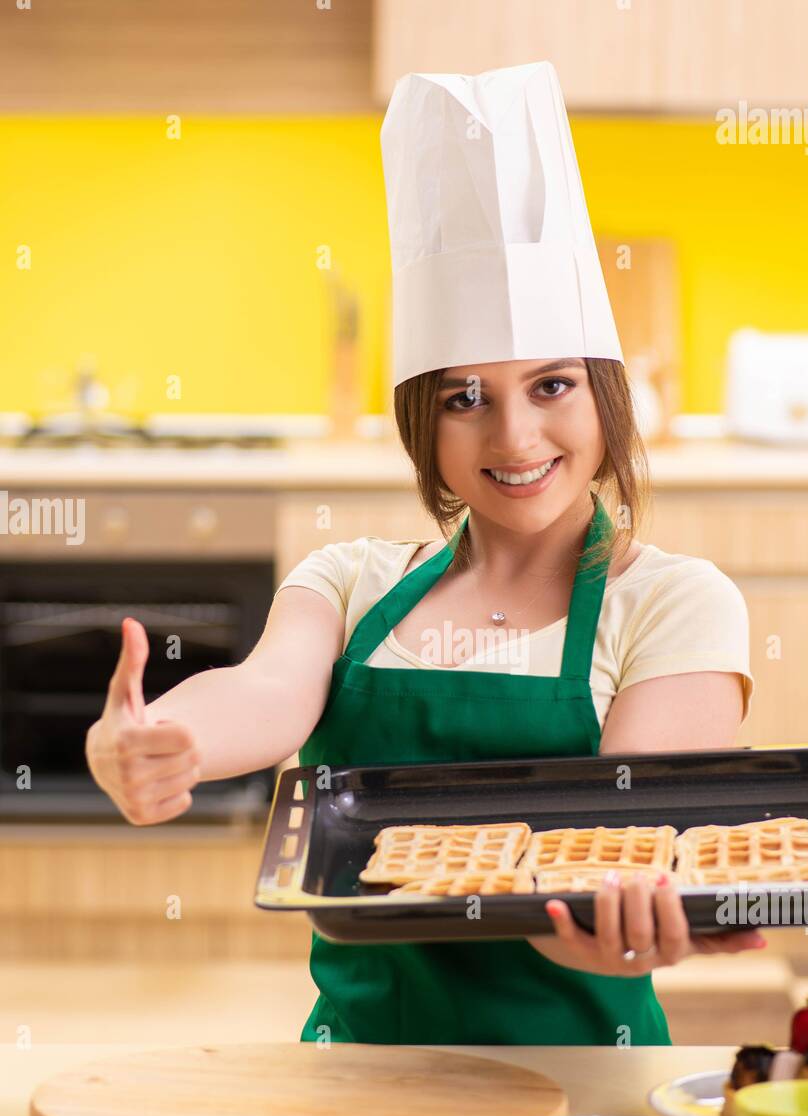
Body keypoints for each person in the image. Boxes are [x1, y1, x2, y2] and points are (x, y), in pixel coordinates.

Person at [85, 61, 763, 1046]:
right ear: (424, 426)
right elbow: (263, 694)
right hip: (356, 1081)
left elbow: (630, 839)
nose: (514, 437)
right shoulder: (346, 581)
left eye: (550, 386)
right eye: (464, 397)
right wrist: (161, 741)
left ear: (605, 397)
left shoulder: (674, 604)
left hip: (584, 1096)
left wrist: (611, 930)